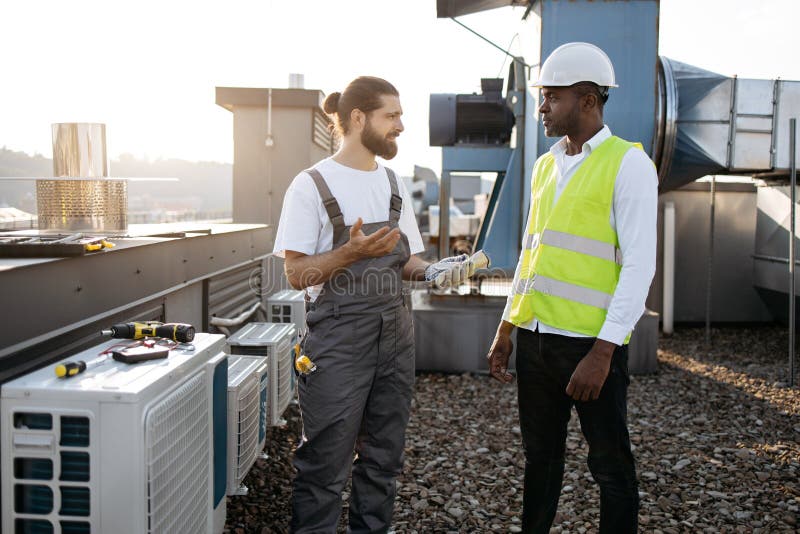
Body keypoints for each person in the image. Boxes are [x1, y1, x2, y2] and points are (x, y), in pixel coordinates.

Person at [273, 76, 479, 533]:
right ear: (358, 118)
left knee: (383, 463)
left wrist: (438, 271)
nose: (401, 126)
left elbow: (407, 261)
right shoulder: (310, 185)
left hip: (396, 339)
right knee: (324, 468)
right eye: (392, 116)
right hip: (338, 344)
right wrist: (351, 252)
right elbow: (296, 274)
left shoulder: (392, 182)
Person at [486, 43, 657, 533]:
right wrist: (507, 328)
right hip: (536, 343)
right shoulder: (544, 166)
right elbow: (531, 255)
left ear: (587, 99)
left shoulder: (628, 165)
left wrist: (603, 353)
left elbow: (639, 267)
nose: (540, 108)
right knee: (539, 460)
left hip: (589, 346)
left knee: (610, 467)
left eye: (551, 97)